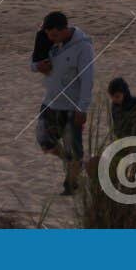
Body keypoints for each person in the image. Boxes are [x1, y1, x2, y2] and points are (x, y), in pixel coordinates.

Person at [30, 11, 95, 195]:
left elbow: (87, 79)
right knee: (44, 141)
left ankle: (72, 184)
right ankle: (72, 162)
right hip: (50, 102)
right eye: (48, 35)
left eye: (54, 35)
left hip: (71, 106)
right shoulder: (45, 38)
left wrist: (82, 108)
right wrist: (38, 66)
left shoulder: (83, 47)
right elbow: (33, 63)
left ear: (64, 29)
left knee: (73, 148)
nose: (51, 39)